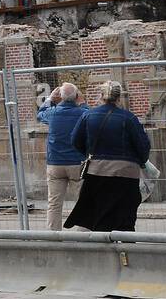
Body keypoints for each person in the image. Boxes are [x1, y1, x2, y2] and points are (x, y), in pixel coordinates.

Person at [66, 81, 150, 232]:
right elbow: (143, 146)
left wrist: (90, 154)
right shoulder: (129, 118)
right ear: (119, 98)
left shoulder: (88, 115)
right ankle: (125, 252)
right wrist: (140, 161)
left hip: (97, 172)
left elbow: (74, 140)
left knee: (99, 215)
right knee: (125, 216)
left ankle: (102, 250)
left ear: (101, 96)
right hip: (126, 174)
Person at [37, 82, 88, 230]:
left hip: (55, 164)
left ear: (60, 97)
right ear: (77, 96)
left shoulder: (52, 113)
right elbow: (90, 114)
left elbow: (40, 115)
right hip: (77, 163)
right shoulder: (82, 113)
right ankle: (84, 234)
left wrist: (49, 100)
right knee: (83, 200)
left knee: (54, 203)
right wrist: (83, 102)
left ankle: (54, 236)